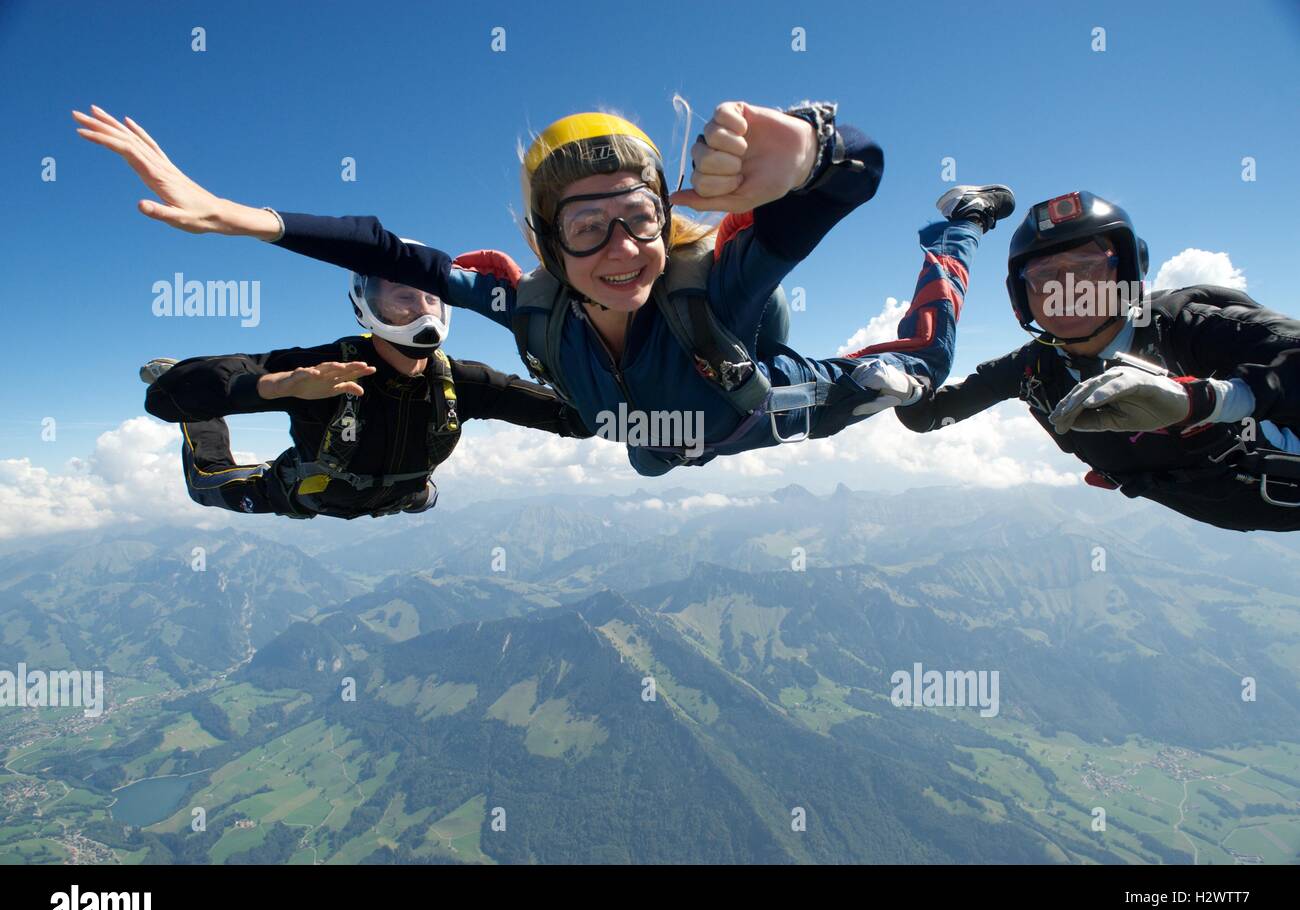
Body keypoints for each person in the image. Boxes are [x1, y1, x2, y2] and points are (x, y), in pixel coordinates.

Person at [76, 102, 1014, 476]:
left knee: (919, 369)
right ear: (541, 240)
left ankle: (958, 227)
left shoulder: (711, 286)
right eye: (585, 225)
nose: (622, 248)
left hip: (759, 403)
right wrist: (243, 218)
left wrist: (813, 148)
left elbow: (858, 176)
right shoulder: (524, 303)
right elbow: (391, 252)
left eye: (640, 217)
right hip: (658, 433)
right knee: (649, 457)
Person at [896, 191, 1300, 532]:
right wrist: (903, 385)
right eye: (1042, 276)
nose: (1067, 288)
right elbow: (929, 415)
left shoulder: (1187, 328)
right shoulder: (1034, 370)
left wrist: (1202, 401)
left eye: (1088, 267)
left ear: (1126, 273)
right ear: (1023, 298)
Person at [141, 258, 590, 520]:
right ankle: (190, 387)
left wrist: (566, 334)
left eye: (429, 297)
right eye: (400, 297)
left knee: (419, 495)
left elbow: (576, 417)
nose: (419, 309)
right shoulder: (322, 369)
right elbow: (163, 401)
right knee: (204, 481)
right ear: (367, 306)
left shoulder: (463, 382)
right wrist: (277, 386)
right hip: (306, 493)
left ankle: (415, 494)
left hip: (401, 493)